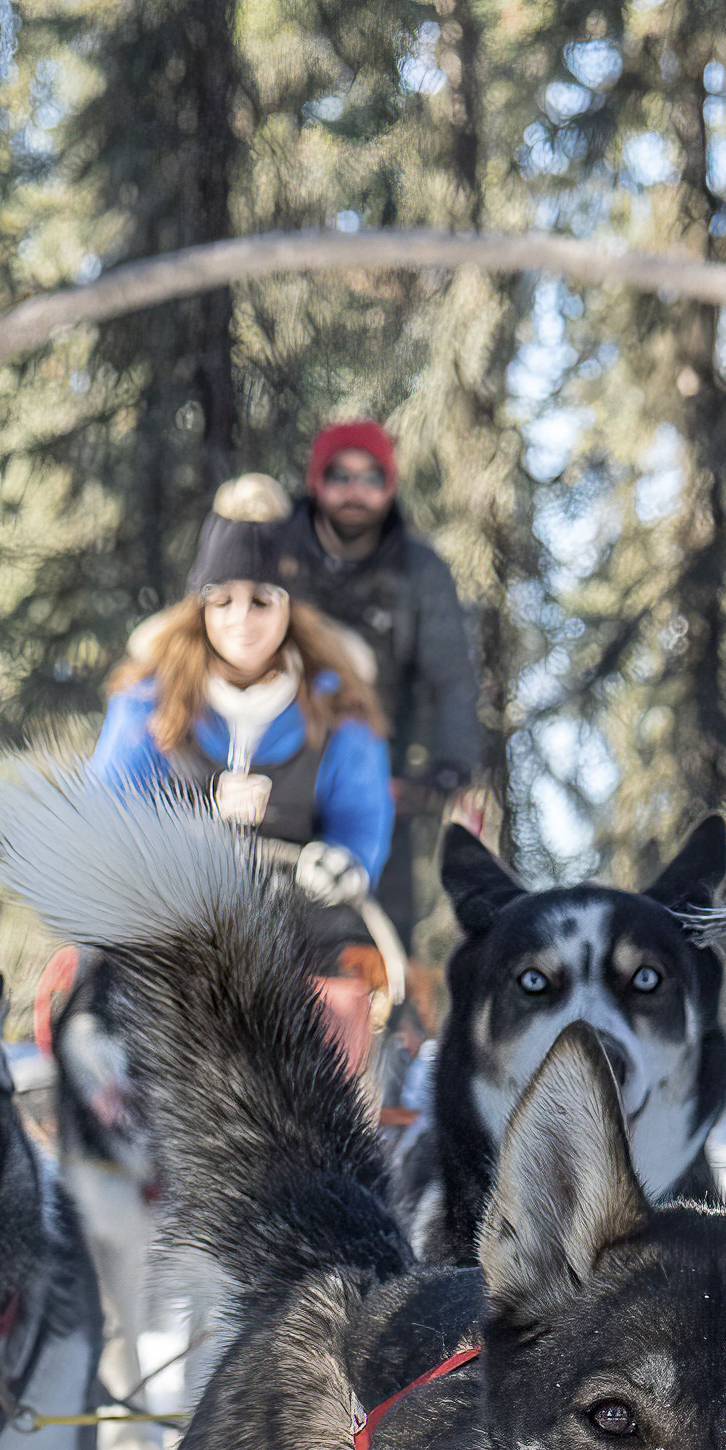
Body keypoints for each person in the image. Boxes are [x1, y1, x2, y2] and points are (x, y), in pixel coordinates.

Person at [84, 478, 401, 1077]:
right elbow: (109, 807)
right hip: (171, 907)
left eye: (261, 601)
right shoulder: (150, 700)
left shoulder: (336, 709)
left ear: (289, 606)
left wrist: (343, 862)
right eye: (222, 600)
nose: (241, 620)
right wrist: (202, 810)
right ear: (200, 606)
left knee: (344, 1005)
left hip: (301, 918)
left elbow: (361, 819)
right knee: (99, 998)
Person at [274, 421, 480, 937]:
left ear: (390, 487)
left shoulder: (420, 570)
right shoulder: (279, 558)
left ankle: (387, 1008)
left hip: (379, 776)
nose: (354, 491)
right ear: (316, 482)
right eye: (340, 475)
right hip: (282, 772)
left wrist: (447, 767)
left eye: (371, 478)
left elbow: (450, 677)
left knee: (374, 930)